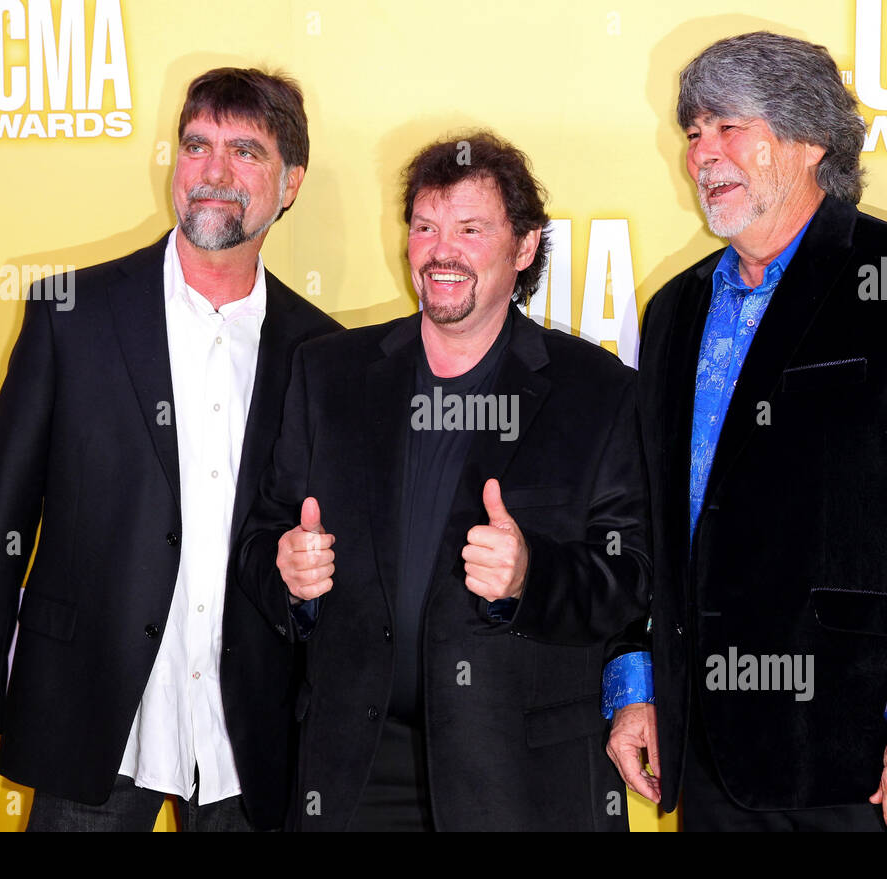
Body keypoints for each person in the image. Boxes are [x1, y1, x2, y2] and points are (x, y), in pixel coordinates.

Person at [604, 32, 887, 832]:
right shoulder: (673, 309)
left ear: (809, 140)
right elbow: (646, 521)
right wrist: (639, 682)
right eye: (693, 132)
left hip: (862, 757)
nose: (703, 153)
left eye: (729, 127)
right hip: (708, 755)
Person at [0, 67, 340, 831]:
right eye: (196, 145)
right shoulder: (71, 314)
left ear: (290, 183)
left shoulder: (322, 352)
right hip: (96, 715)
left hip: (254, 735)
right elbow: (2, 517)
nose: (214, 172)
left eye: (246, 150)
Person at [235, 131, 650, 831]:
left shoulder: (597, 391)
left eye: (470, 229)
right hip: (353, 775)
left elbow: (630, 575)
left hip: (521, 783)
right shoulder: (328, 373)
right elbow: (262, 535)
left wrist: (530, 576)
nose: (441, 249)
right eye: (424, 226)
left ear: (523, 248)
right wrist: (286, 572)